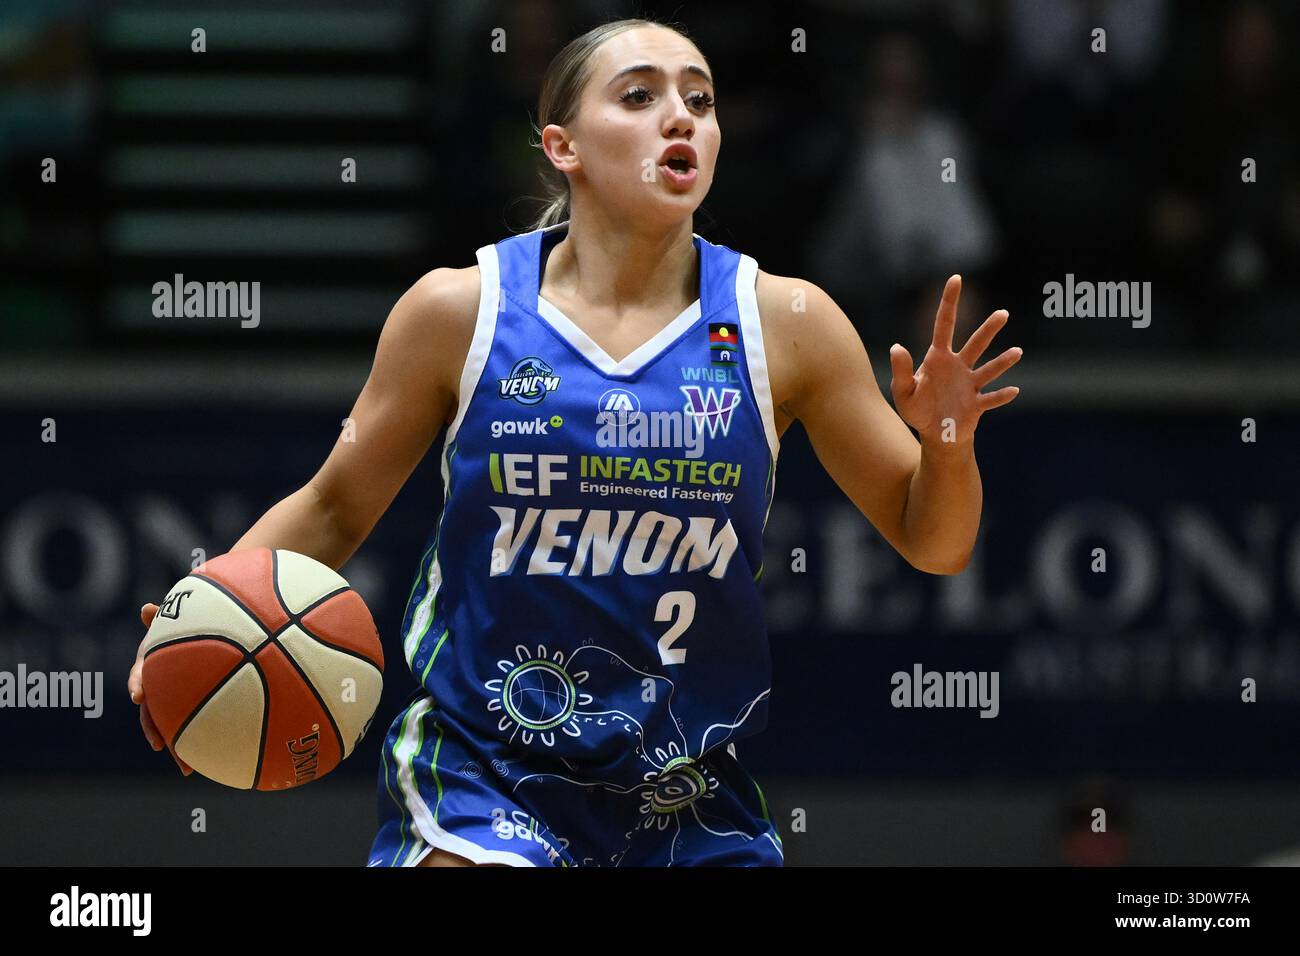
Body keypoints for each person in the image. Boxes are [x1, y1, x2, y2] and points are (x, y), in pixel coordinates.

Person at [127, 17, 1021, 867]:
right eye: (638, 96)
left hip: (687, 790)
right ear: (564, 147)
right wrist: (195, 620)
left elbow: (935, 543)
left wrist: (948, 443)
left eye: (700, 101)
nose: (681, 116)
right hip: (482, 769)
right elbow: (332, 505)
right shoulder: (458, 311)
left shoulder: (788, 323)